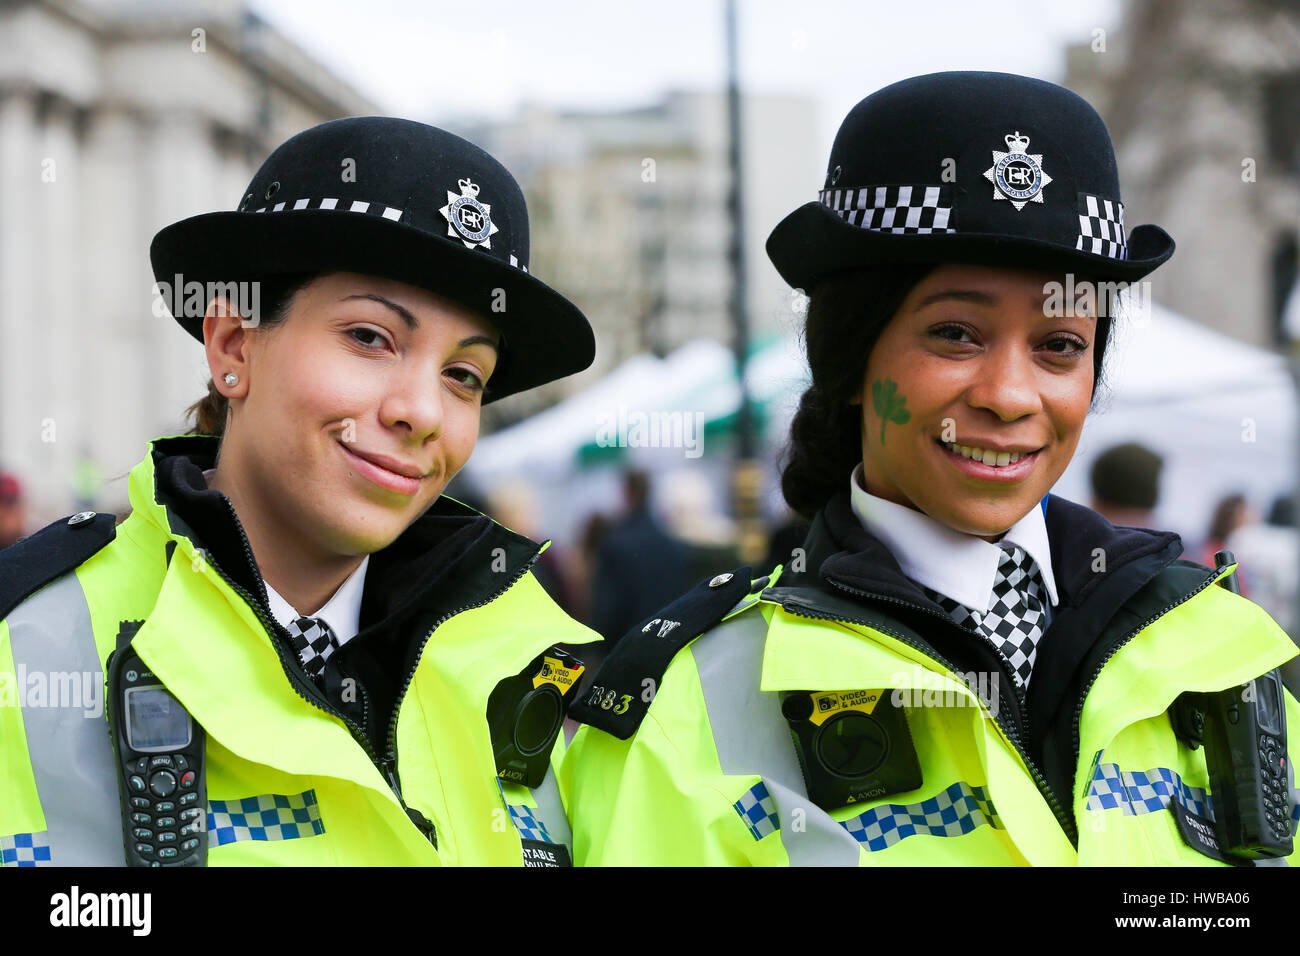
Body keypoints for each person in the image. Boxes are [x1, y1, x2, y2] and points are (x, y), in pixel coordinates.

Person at [561, 71, 1300, 866]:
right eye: (956, 333)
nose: (1012, 396)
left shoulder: (1222, 649)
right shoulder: (687, 704)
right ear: (849, 359)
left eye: (1060, 346)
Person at [0, 116, 601, 866]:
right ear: (235, 346)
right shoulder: (26, 650)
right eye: (370, 337)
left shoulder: (530, 673)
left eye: (463, 376)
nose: (420, 411)